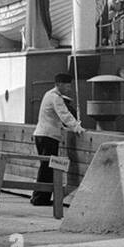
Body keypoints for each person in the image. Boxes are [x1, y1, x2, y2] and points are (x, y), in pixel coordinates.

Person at [30, 71, 83, 206]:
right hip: (49, 136)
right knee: (48, 167)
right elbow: (64, 115)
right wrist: (77, 127)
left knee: (45, 167)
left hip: (41, 134)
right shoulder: (56, 98)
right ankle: (40, 199)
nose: (69, 88)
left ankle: (38, 197)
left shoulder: (48, 95)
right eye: (67, 86)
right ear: (59, 84)